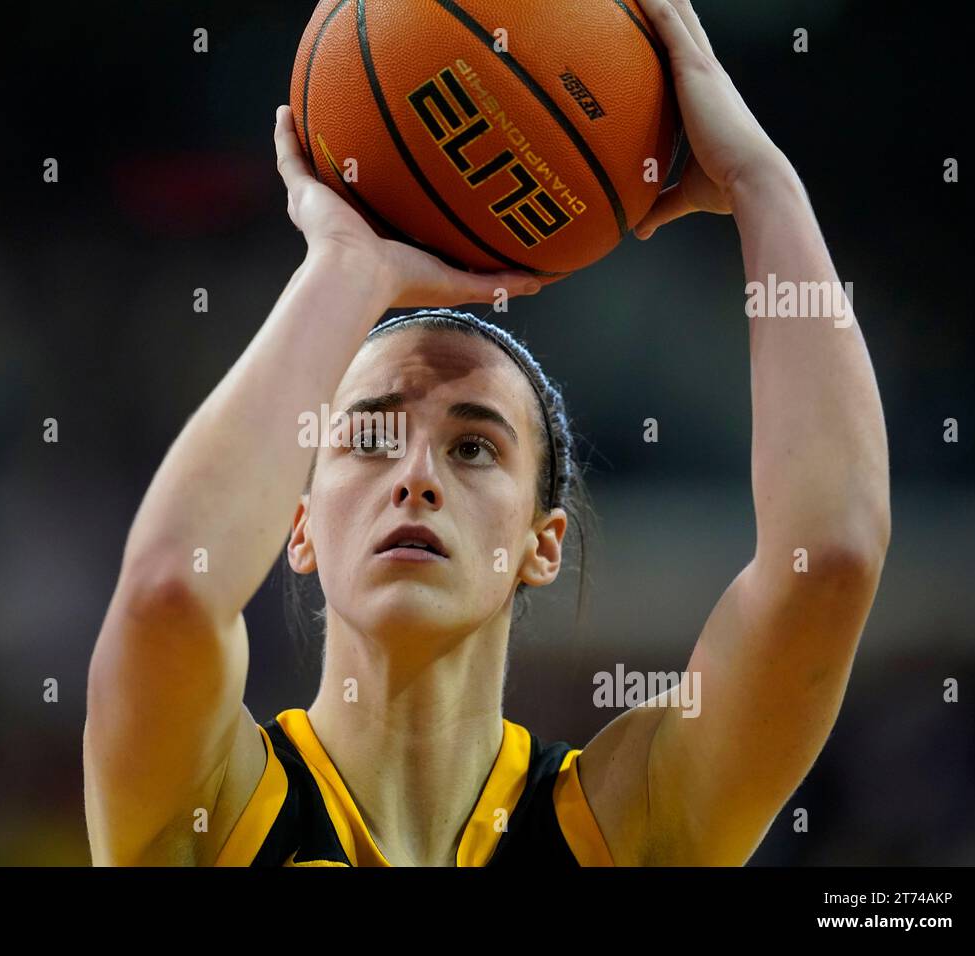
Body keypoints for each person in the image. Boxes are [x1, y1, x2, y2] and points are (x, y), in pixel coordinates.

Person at [83, 0, 890, 866]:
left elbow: (830, 560)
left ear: (544, 544)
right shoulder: (212, 807)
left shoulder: (625, 823)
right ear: (300, 524)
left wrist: (761, 181)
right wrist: (345, 271)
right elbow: (171, 585)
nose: (417, 475)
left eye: (474, 448)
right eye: (370, 438)